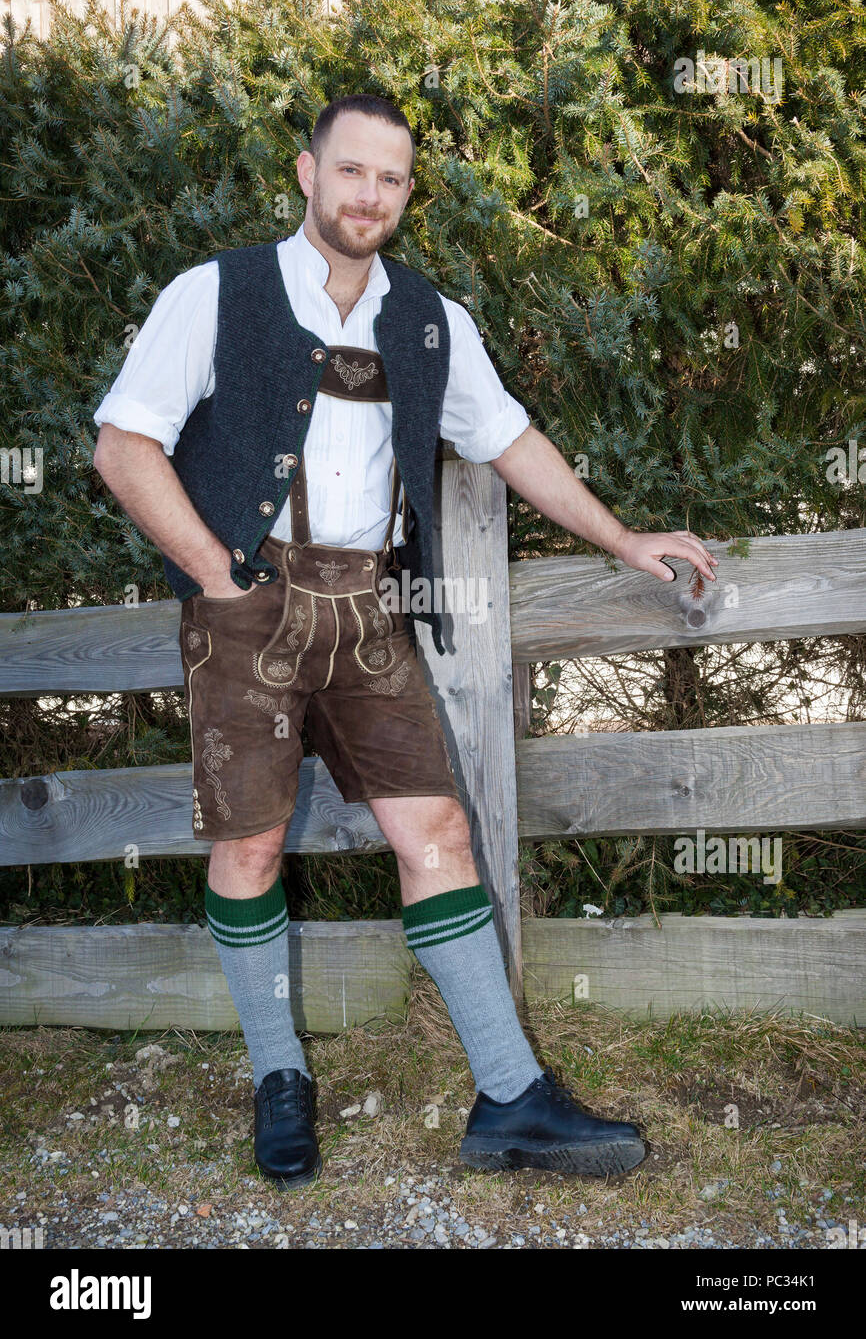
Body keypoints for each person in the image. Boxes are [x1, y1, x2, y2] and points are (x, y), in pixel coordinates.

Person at [92, 93, 718, 1190]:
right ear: (306, 172)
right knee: (248, 846)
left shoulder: (428, 317)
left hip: (370, 609)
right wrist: (212, 574)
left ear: (405, 193)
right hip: (246, 598)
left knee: (437, 832)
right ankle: (280, 1076)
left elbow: (508, 437)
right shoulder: (217, 293)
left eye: (389, 180)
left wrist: (622, 536)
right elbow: (122, 444)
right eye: (350, 173)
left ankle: (510, 1099)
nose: (368, 196)